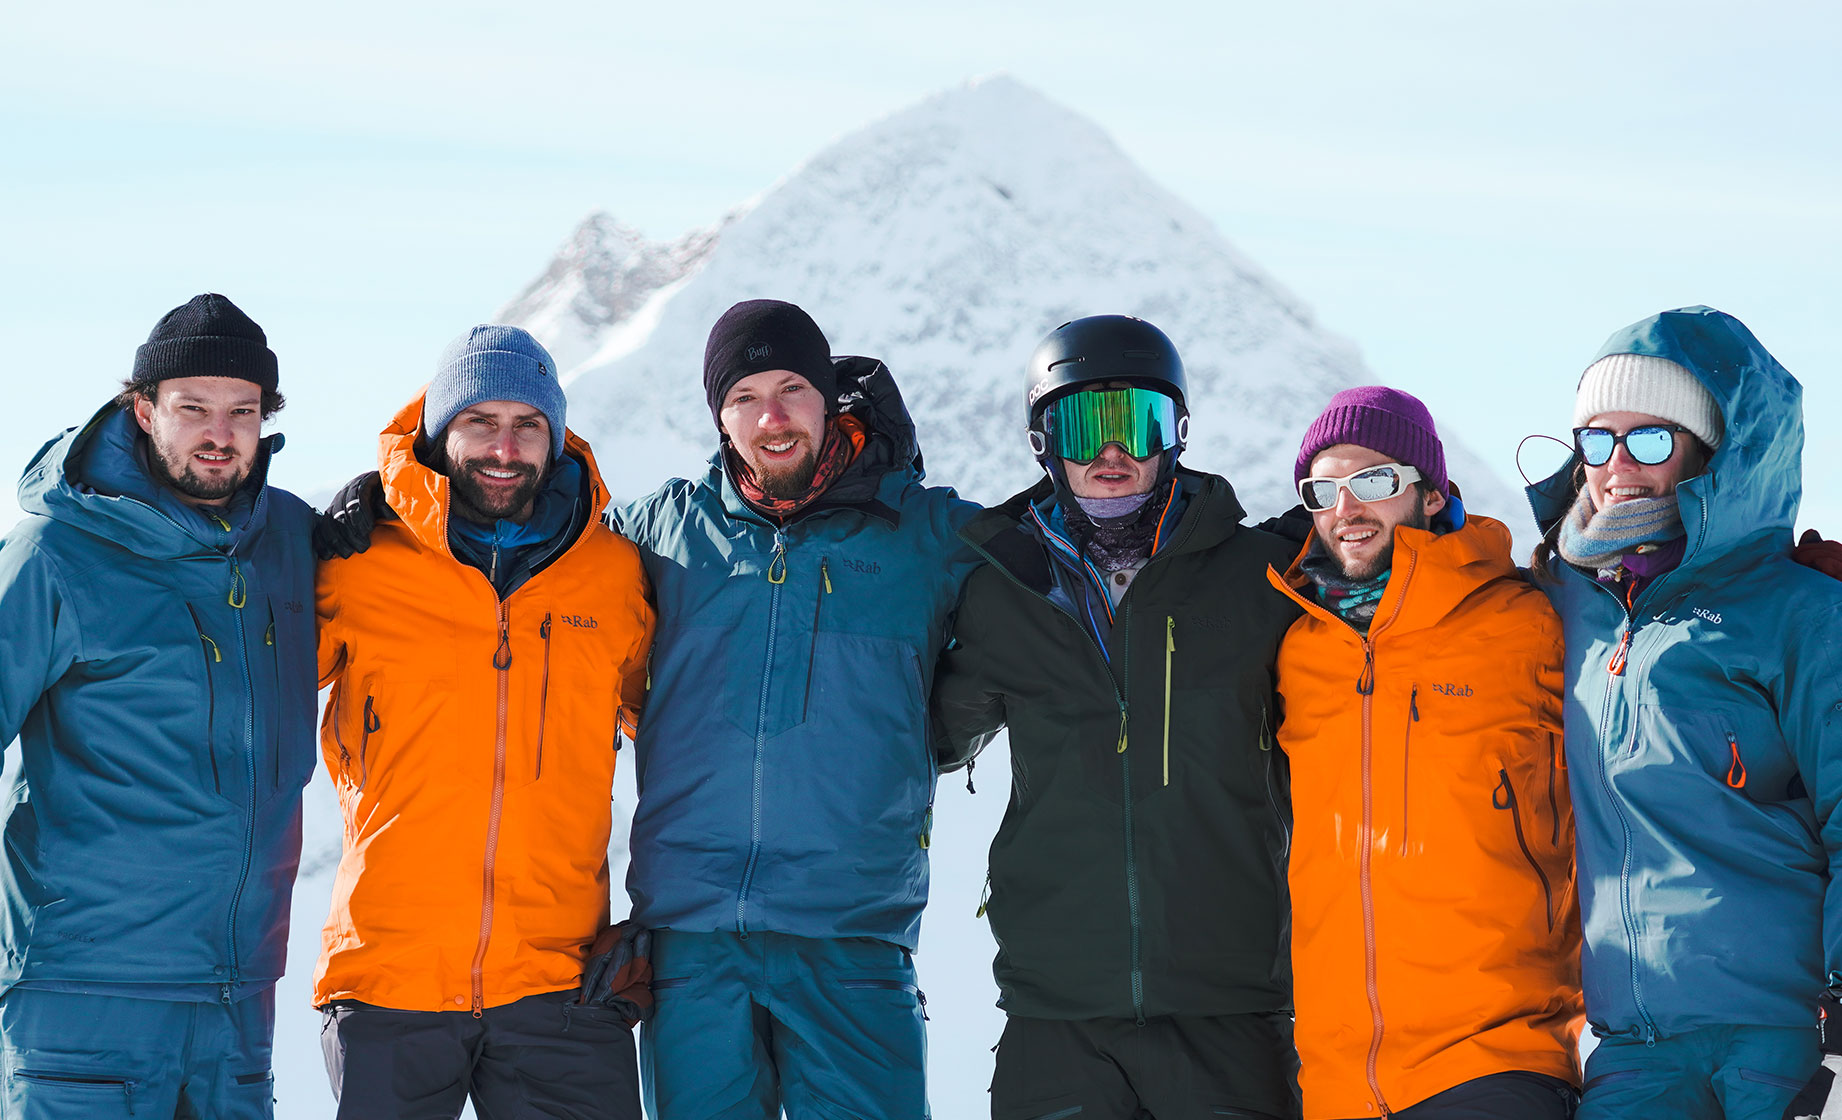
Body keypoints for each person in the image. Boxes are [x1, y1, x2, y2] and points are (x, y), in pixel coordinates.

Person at [608, 299, 981, 1120]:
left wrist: (939, 733)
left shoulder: (928, 534)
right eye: (743, 397)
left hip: (854, 939)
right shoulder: (656, 534)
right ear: (719, 417)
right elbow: (521, 538)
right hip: (691, 946)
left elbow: (1073, 573)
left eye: (790, 390)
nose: (770, 417)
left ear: (828, 397)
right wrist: (389, 497)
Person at [931, 315, 1304, 1120]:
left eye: (1138, 423)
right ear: (1043, 442)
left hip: (1229, 1004)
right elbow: (922, 735)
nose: (1112, 453)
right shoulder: (1003, 589)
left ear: (1175, 435)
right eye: (1081, 426)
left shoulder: (1260, 577)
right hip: (1057, 1012)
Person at [313, 325, 655, 1119]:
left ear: (555, 436)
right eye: (479, 422)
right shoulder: (355, 562)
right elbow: (242, 693)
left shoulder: (612, 576)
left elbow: (685, 748)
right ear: (439, 432)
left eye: (527, 425)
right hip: (387, 987)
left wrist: (664, 910)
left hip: (562, 988)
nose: (504, 448)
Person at [0, 294, 315, 1117]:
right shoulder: (57, 553)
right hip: (85, 992)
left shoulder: (290, 540)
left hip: (238, 1000)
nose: (221, 433)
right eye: (194, 409)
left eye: (243, 411)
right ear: (143, 410)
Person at [1526, 306, 1842, 1120]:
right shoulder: (1563, 606)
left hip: (1784, 1037)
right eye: (1597, 439)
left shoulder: (1801, 609)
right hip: (1634, 1047)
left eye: (1651, 438)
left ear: (1712, 452)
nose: (1617, 463)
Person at [1269, 386, 1582, 1119]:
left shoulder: (1526, 620)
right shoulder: (1297, 651)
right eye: (1324, 490)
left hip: (1493, 1060)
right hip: (1333, 1082)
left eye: (1375, 481)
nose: (1348, 508)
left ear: (1433, 494)